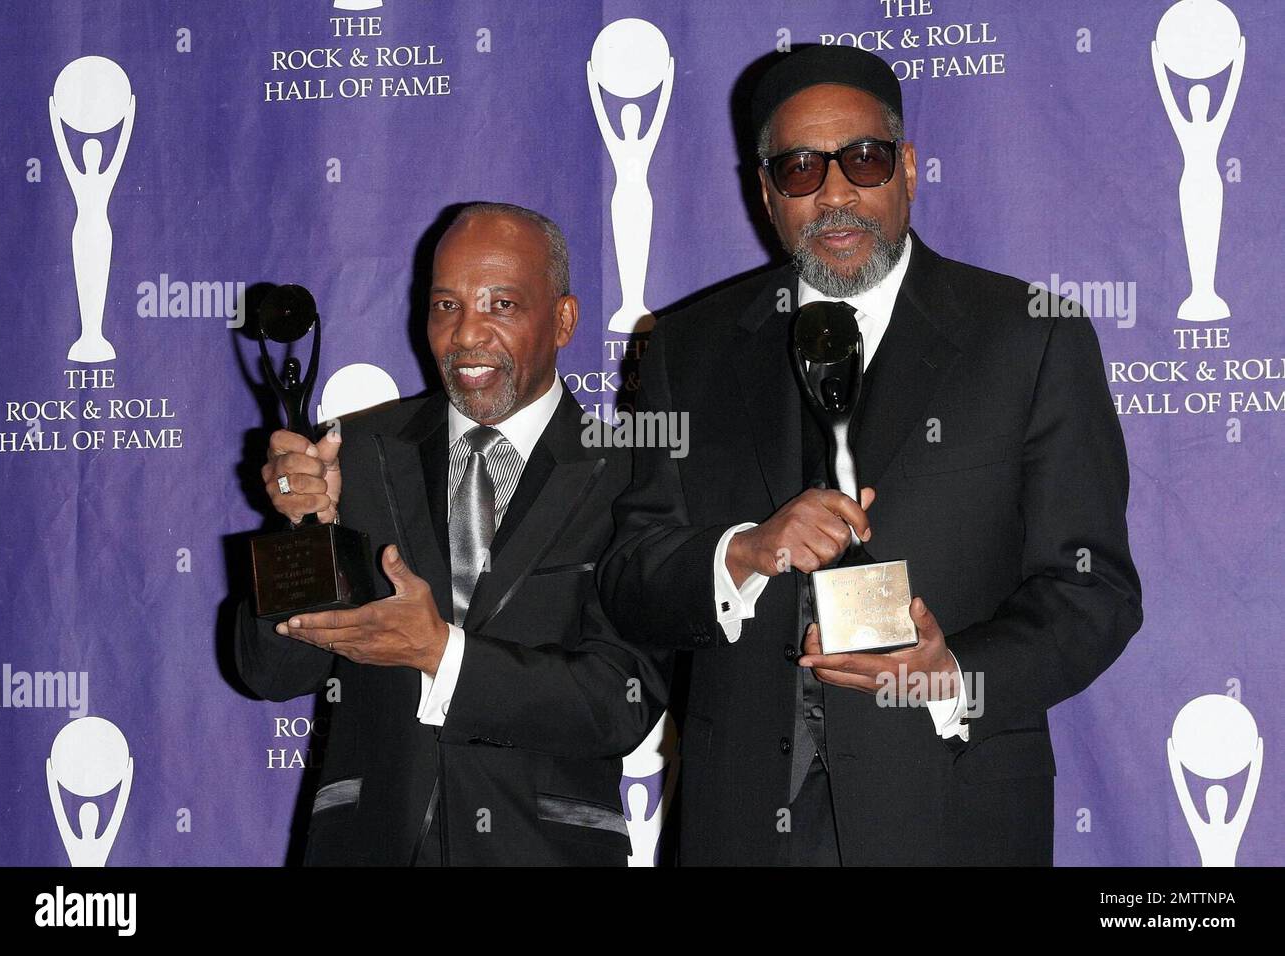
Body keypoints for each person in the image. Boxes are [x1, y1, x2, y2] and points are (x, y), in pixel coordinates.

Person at [598, 45, 1143, 865]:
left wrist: (952, 672)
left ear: (910, 169)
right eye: (801, 171)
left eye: (864, 159)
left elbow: (1092, 588)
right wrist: (739, 554)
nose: (837, 195)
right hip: (739, 828)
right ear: (766, 196)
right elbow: (631, 578)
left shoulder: (1029, 338)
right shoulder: (686, 350)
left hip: (950, 816)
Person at [236, 203, 667, 866]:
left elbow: (621, 701)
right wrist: (303, 524)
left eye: (501, 304)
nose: (468, 335)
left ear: (563, 320)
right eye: (445, 306)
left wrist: (443, 653)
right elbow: (272, 671)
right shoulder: (356, 455)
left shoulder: (629, 475)